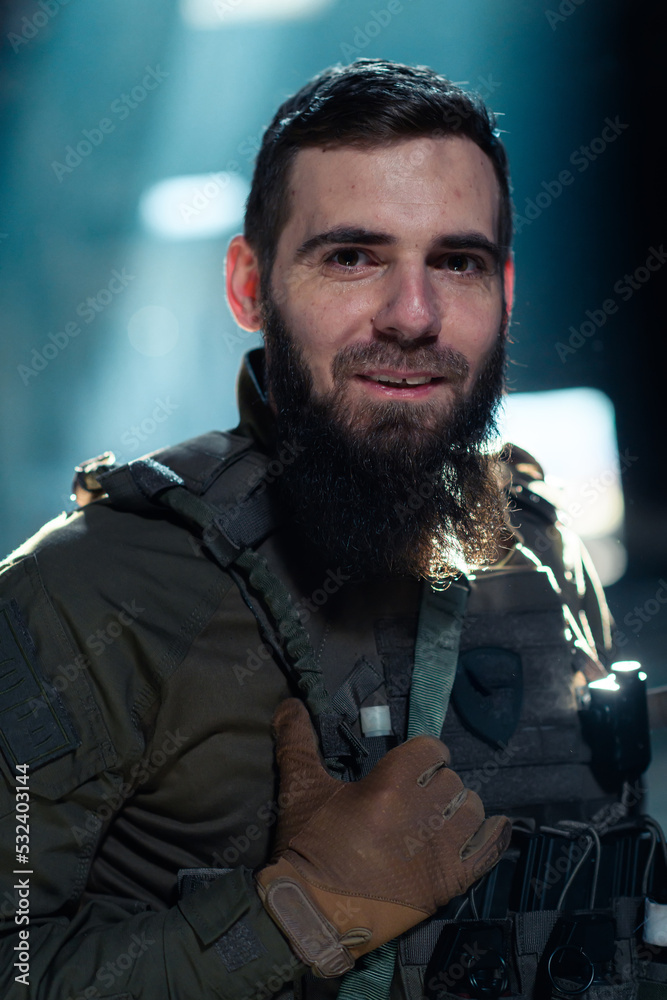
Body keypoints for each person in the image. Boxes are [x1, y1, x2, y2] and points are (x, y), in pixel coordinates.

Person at [0, 59, 663, 1000]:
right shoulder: (83, 595)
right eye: (352, 257)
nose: (412, 315)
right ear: (248, 285)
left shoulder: (534, 548)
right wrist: (305, 910)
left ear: (504, 292)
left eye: (457, 262)